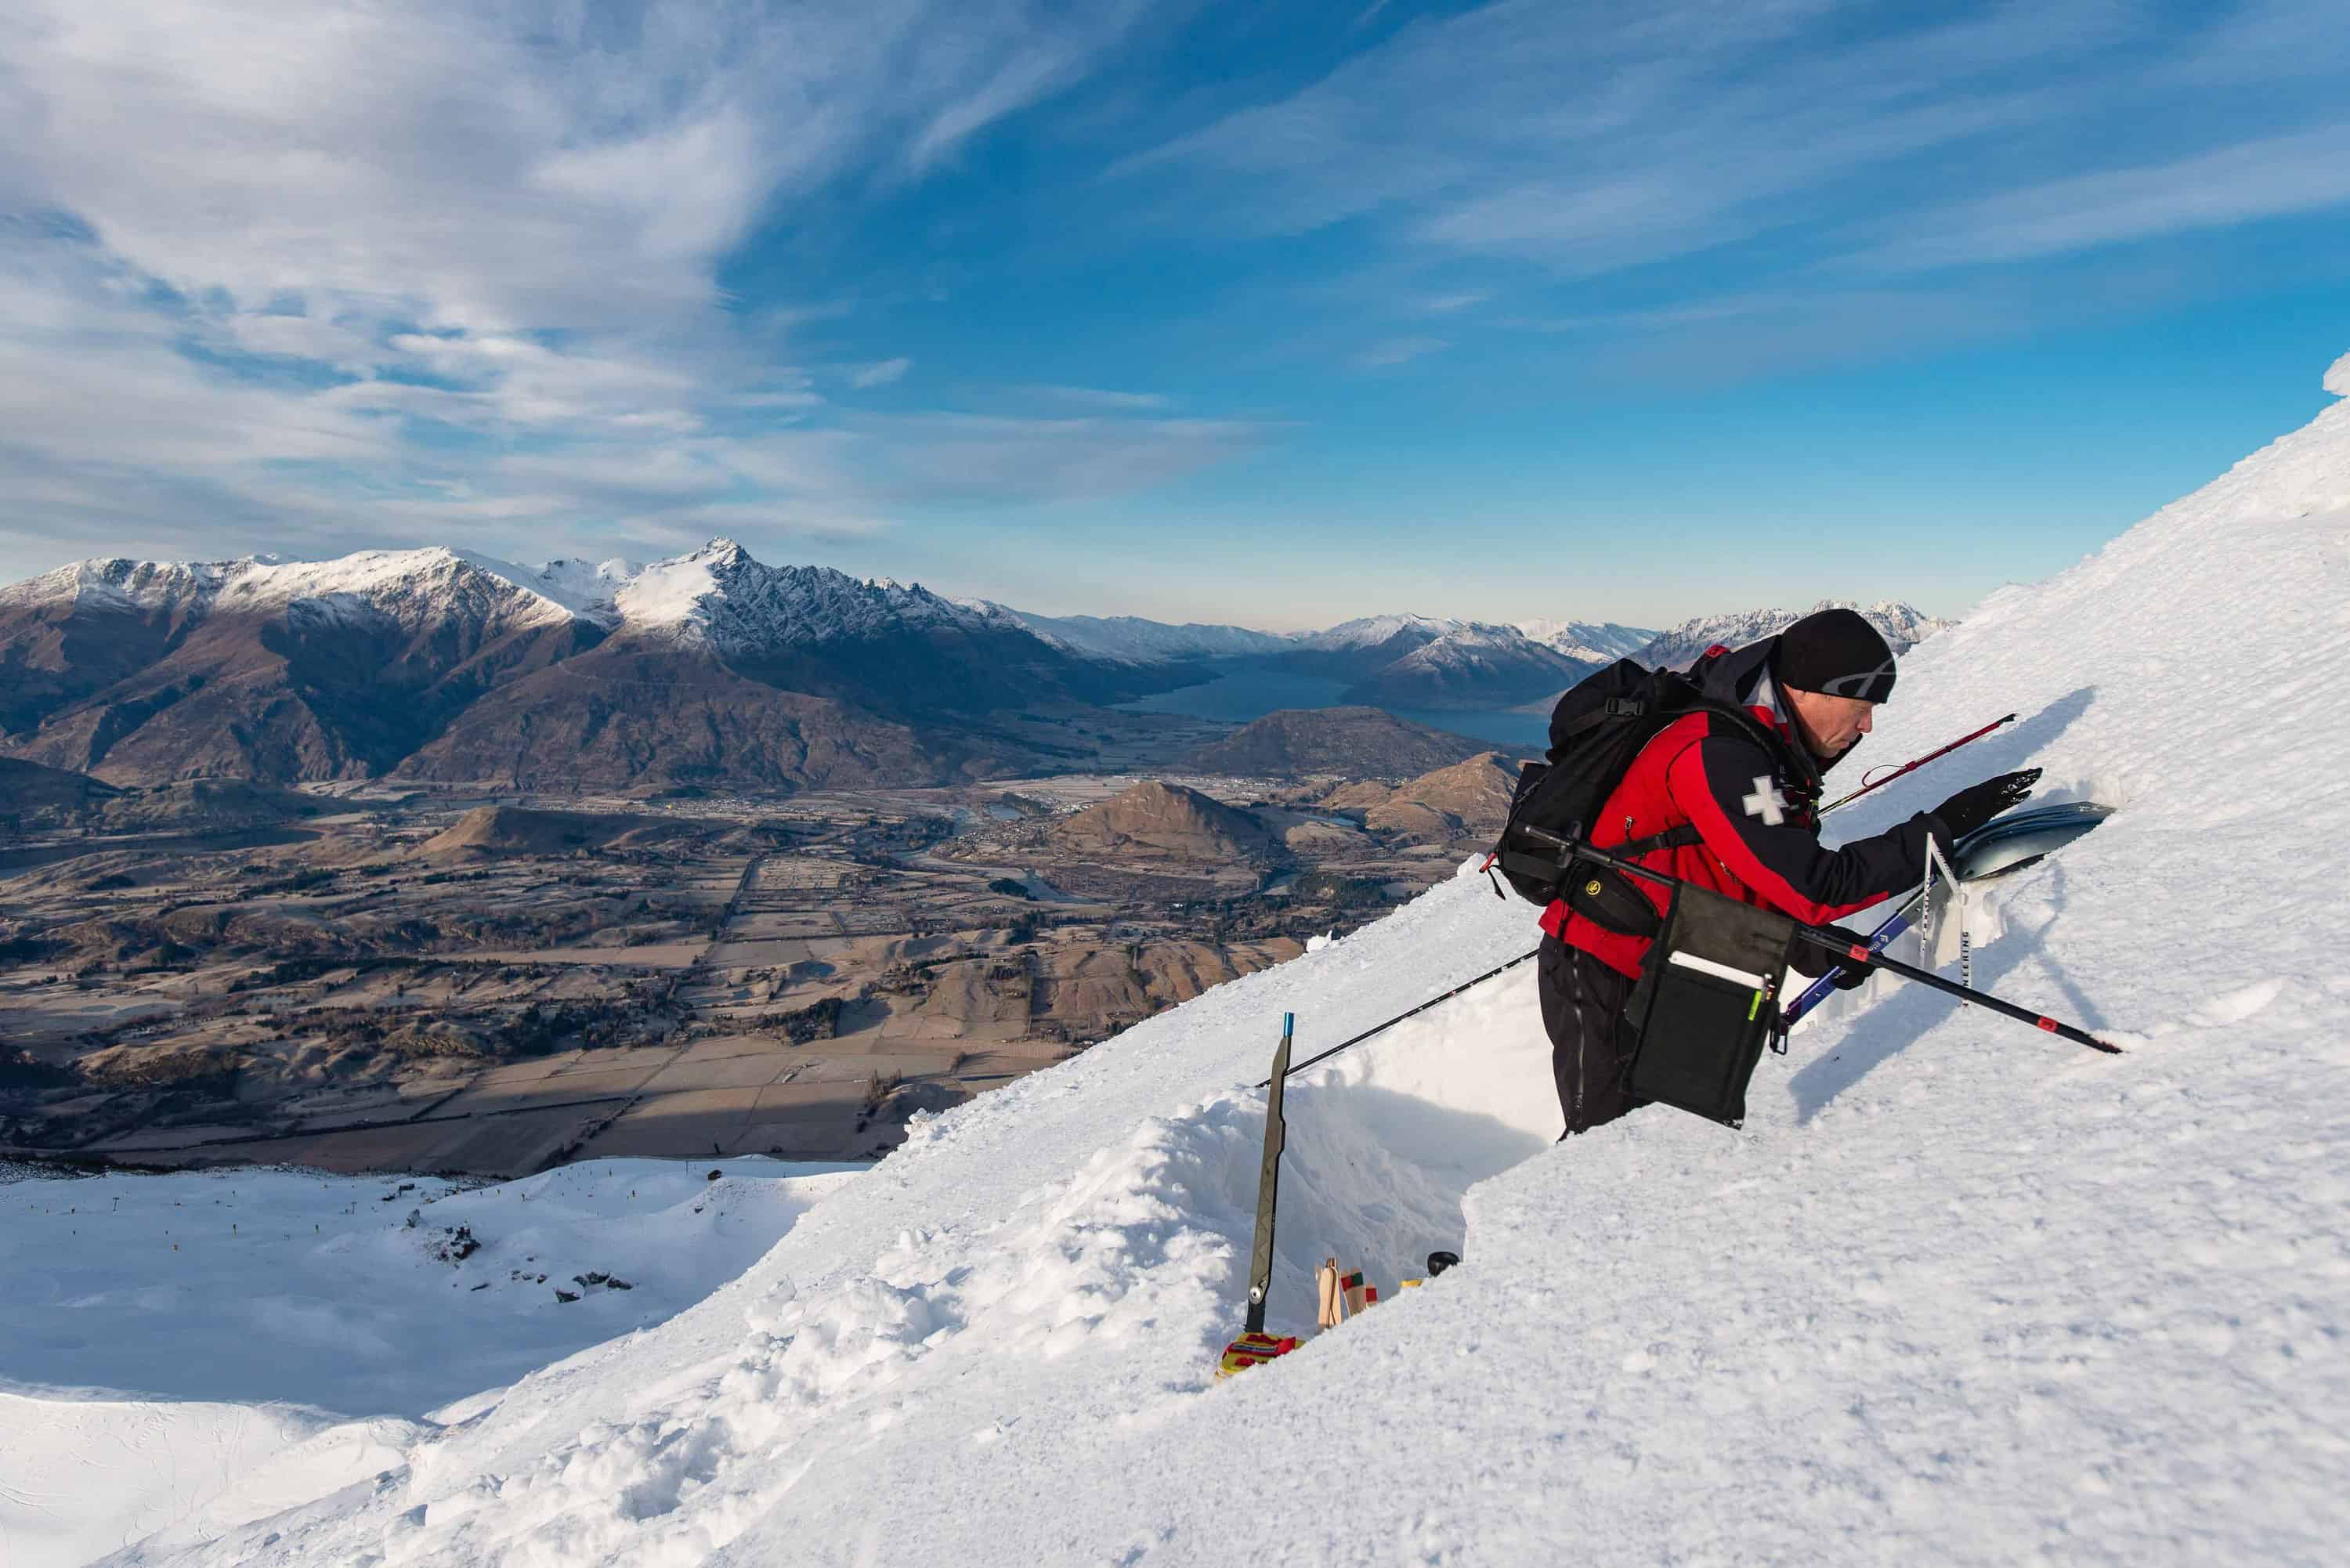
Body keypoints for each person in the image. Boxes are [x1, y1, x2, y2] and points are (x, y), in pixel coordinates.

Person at [1538, 607, 2037, 1136]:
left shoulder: (1761, 745)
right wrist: (1940, 829)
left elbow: (1739, 869)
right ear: (1809, 691)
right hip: (1602, 967)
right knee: (1604, 1145)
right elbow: (1816, 887)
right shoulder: (1720, 753)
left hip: (1676, 966)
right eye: (1861, 704)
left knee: (1673, 1129)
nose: (1867, 725)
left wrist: (1804, 944)